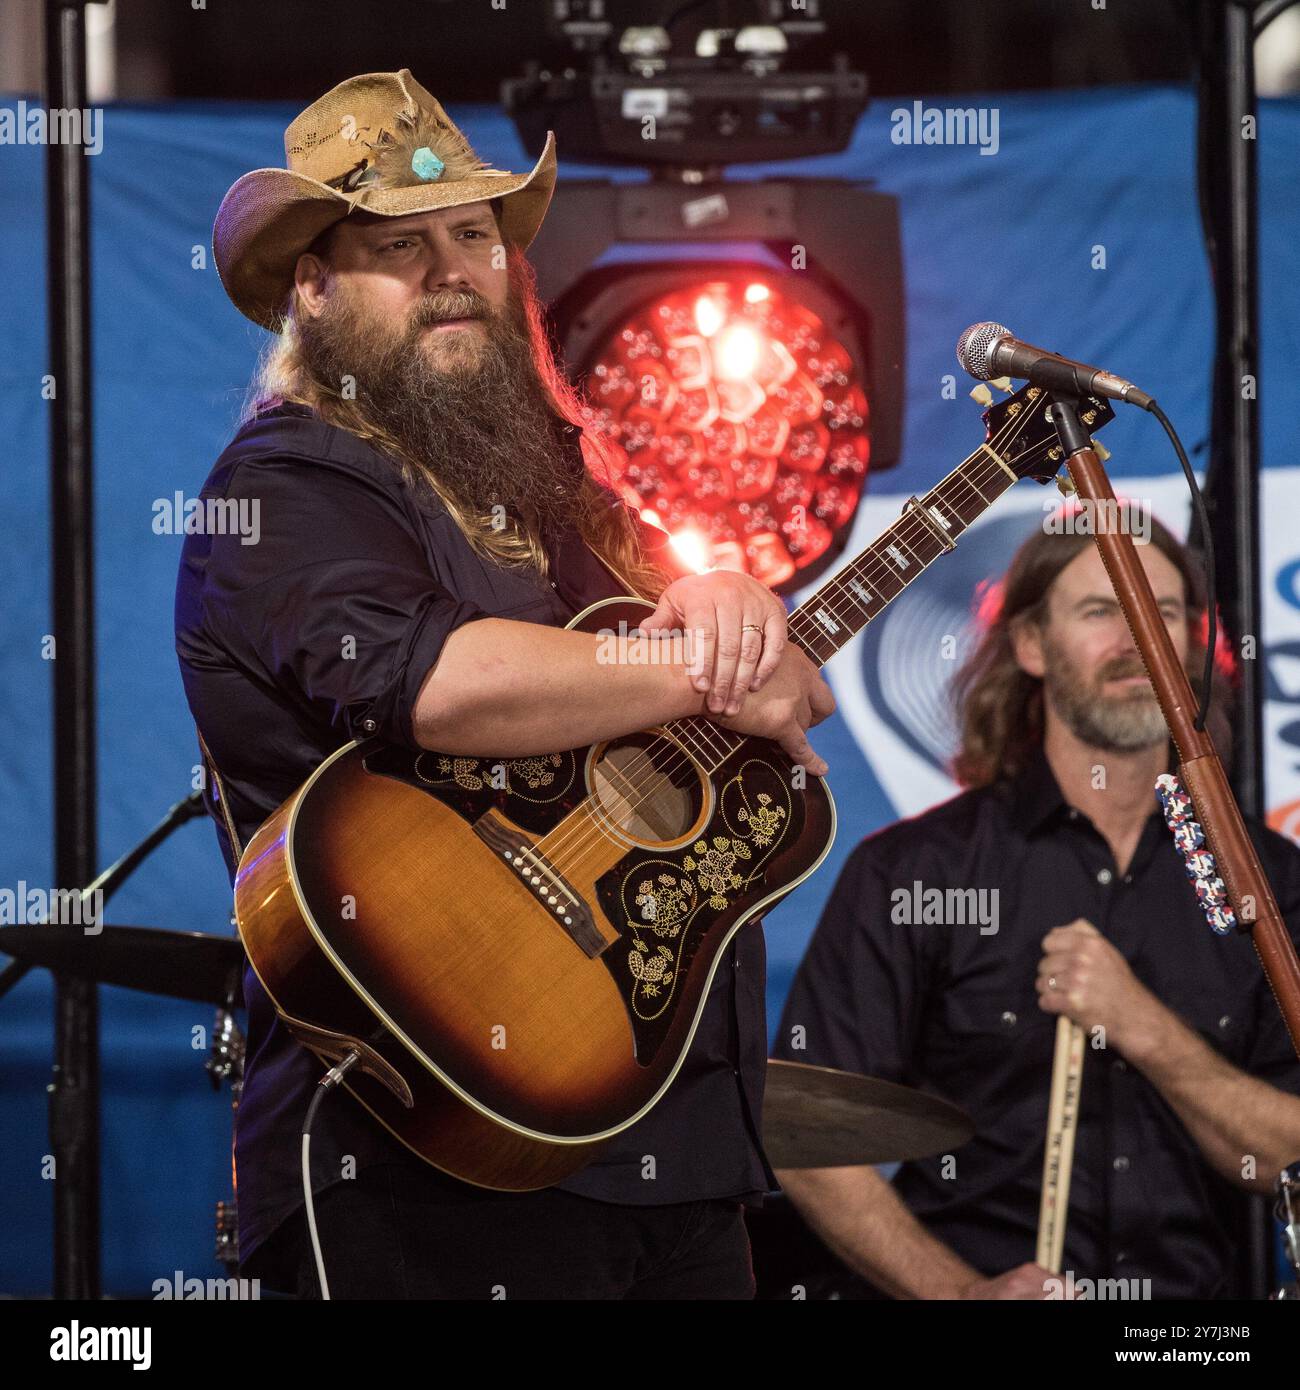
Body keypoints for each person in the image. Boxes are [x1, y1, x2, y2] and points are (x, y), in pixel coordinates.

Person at [176, 68, 834, 1300]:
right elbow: (444, 684)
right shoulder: (284, 487)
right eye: (397, 245)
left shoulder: (565, 495)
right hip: (422, 1158)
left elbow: (793, 696)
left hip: (669, 1151)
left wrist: (733, 609)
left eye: (473, 234)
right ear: (313, 288)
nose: (450, 270)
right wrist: (698, 659)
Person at [772, 508, 1300, 1299]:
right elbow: (806, 1141)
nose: (1137, 641)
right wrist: (962, 1297)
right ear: (1028, 645)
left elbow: (1291, 1152)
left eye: (1159, 612)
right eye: (1101, 610)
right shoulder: (917, 874)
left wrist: (1143, 1027)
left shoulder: (1271, 881)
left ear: (1196, 644)